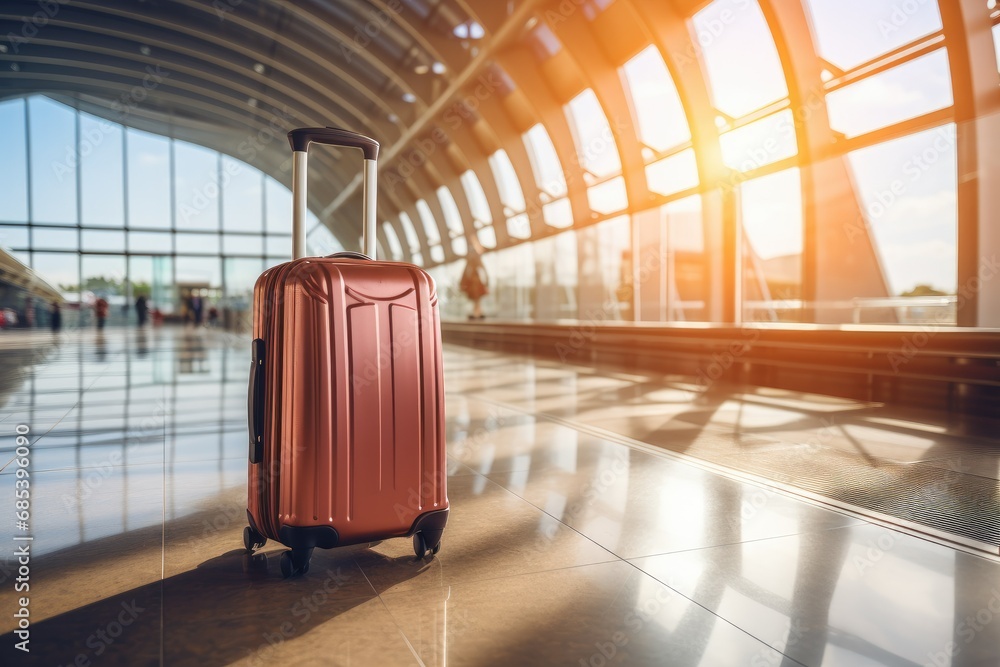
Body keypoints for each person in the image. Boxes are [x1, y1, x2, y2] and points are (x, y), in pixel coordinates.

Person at [459, 251, 488, 320]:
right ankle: (477, 313)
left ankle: (477, 313)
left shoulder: (475, 264)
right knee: (476, 300)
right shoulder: (470, 265)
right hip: (473, 285)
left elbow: (483, 273)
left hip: (476, 285)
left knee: (477, 300)